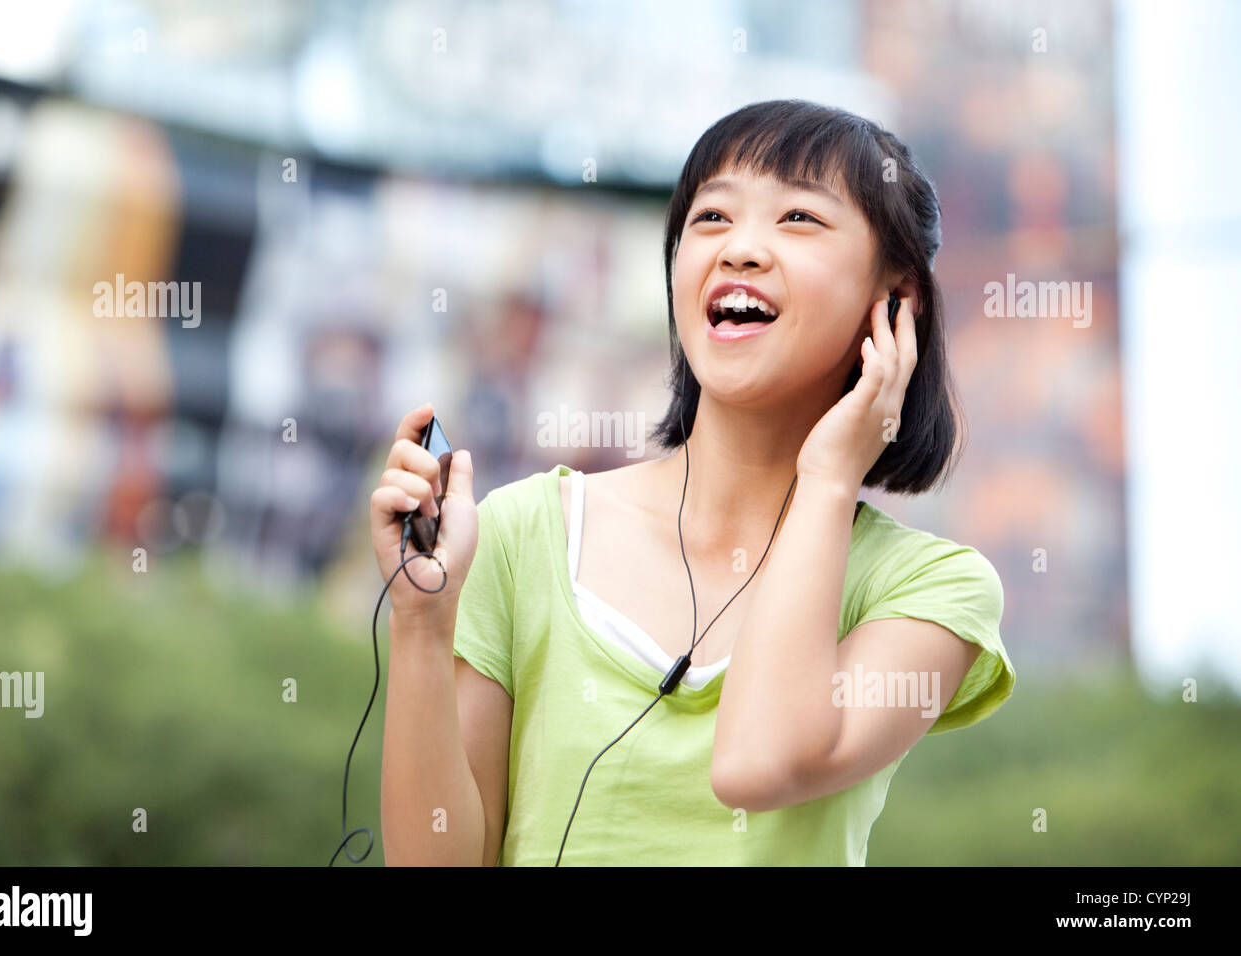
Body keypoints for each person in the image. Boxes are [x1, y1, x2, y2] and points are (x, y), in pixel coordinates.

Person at [374, 99, 1015, 866]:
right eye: (712, 217)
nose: (741, 249)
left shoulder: (930, 590)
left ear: (893, 305)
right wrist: (421, 623)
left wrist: (829, 473)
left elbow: (756, 764)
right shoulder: (520, 535)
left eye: (799, 219)